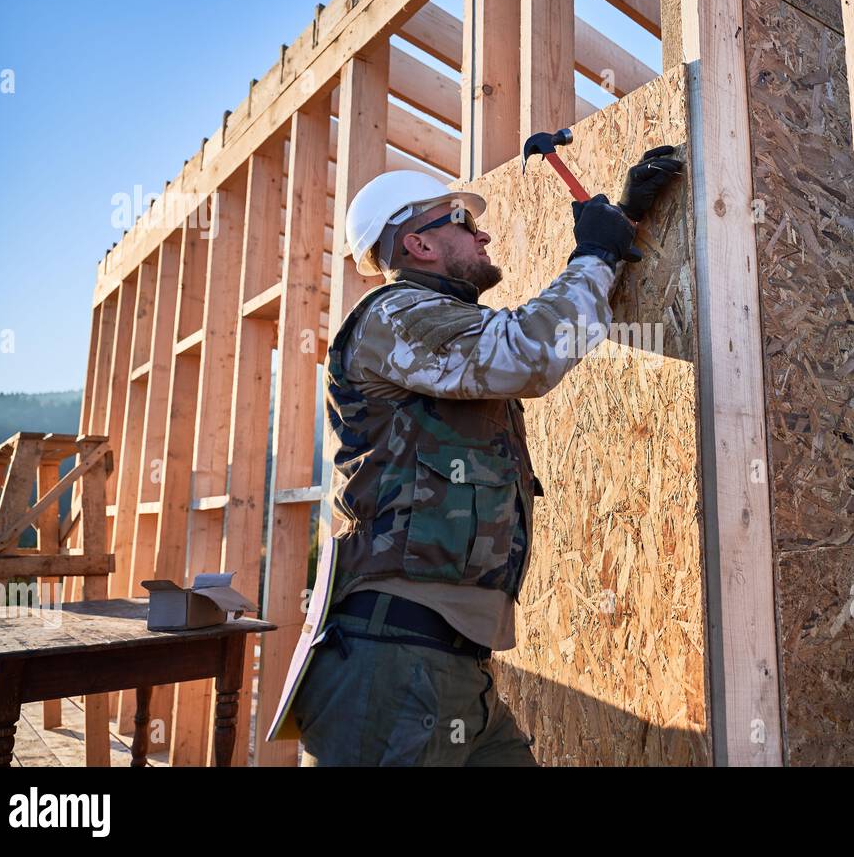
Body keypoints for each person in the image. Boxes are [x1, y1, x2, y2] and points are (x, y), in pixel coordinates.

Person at [267, 146, 683, 765]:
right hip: (394, 670)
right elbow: (529, 350)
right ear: (419, 245)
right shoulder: (395, 315)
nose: (482, 230)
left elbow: (535, 336)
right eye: (462, 220)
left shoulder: (441, 332)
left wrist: (617, 225)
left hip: (449, 671)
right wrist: (595, 251)